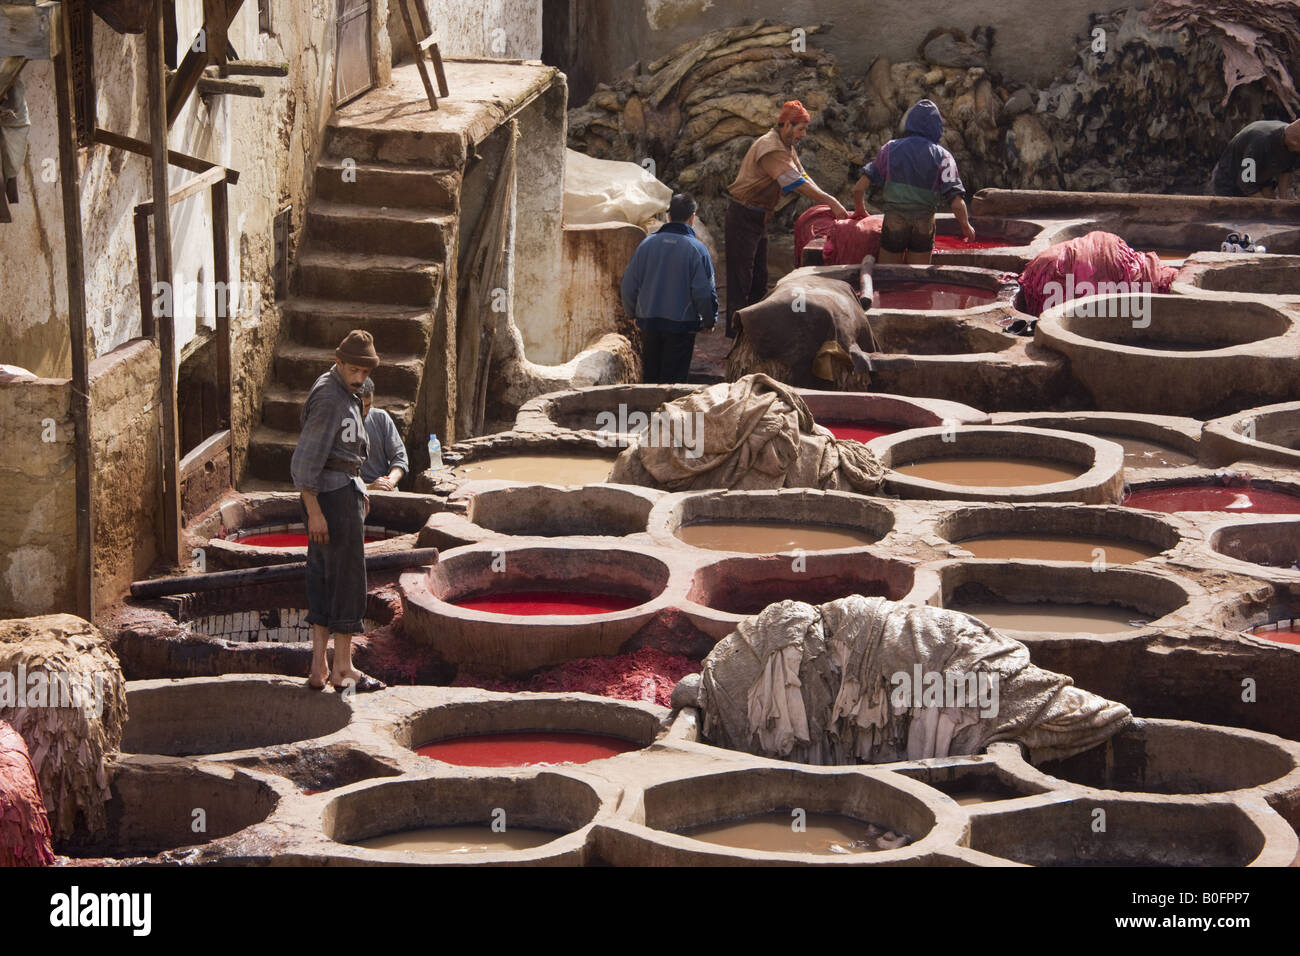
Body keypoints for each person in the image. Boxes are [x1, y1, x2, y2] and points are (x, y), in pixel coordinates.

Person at [289, 330, 387, 694]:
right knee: (346, 580)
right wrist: (315, 511)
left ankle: (319, 667)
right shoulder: (331, 398)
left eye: (365, 372)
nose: (360, 378)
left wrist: (356, 488)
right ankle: (344, 669)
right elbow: (304, 461)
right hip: (331, 500)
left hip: (340, 492)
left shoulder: (340, 389)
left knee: (323, 577)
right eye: (355, 370)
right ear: (339, 361)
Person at [724, 100, 848, 336]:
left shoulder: (786, 147)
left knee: (759, 277)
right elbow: (795, 182)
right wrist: (831, 201)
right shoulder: (771, 147)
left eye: (804, 129)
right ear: (786, 125)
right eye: (800, 129)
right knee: (741, 279)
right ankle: (736, 336)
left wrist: (830, 200)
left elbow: (804, 175)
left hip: (759, 217)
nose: (803, 135)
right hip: (744, 214)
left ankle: (753, 330)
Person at [852, 99, 975, 265]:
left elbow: (859, 188)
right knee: (916, 281)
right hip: (923, 224)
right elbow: (956, 203)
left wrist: (860, 210)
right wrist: (966, 226)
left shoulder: (890, 149)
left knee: (889, 277)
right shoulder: (944, 156)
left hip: (894, 220)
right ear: (937, 126)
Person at [621, 193, 718, 384]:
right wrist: (709, 320)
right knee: (673, 384)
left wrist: (631, 313)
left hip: (649, 323)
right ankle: (667, 412)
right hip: (681, 328)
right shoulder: (697, 249)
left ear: (668, 216)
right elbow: (704, 293)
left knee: (650, 378)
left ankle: (646, 413)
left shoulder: (646, 244)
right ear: (692, 218)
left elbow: (628, 285)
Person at [1210, 118, 1300, 199]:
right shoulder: (1260, 142)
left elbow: (1285, 170)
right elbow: (1246, 183)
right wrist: (1267, 207)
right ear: (1294, 143)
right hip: (1229, 183)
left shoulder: (1292, 145)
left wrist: (1284, 201)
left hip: (1259, 181)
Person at [358, 378, 409, 491]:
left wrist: (389, 481)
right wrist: (369, 487)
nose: (364, 412)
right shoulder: (338, 423)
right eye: (360, 406)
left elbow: (400, 458)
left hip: (384, 488)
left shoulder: (380, 417)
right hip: (353, 491)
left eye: (368, 405)